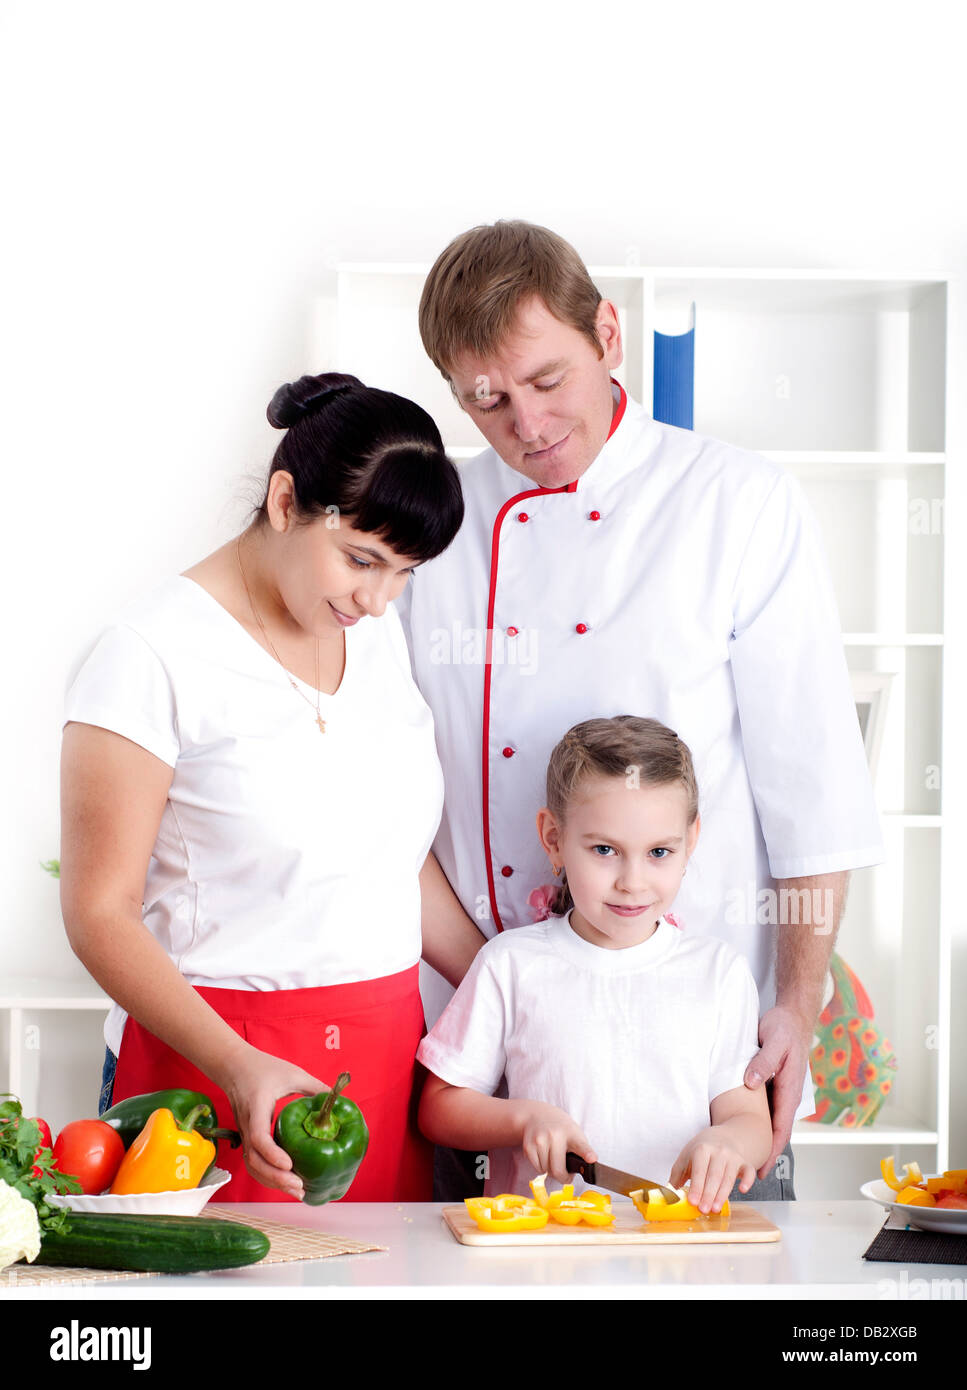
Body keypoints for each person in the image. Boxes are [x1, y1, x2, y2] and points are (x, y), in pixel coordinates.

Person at [400, 220, 884, 1198]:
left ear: (608, 334)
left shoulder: (735, 502)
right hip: (482, 1039)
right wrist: (504, 973)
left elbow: (813, 784)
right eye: (484, 399)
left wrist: (794, 1000)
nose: (525, 424)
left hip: (703, 1055)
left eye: (546, 381)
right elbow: (388, 795)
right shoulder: (432, 527)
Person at [59, 371, 487, 1202]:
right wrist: (240, 1066)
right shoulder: (149, 656)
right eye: (361, 560)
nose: (377, 597)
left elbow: (389, 855)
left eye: (403, 572)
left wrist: (516, 990)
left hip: (384, 1058)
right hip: (213, 1062)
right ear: (286, 502)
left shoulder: (369, 631)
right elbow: (96, 913)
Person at [417, 717, 773, 1213]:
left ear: (691, 841)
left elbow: (750, 1118)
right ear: (554, 838)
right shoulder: (510, 963)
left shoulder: (719, 973)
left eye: (659, 852)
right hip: (540, 1250)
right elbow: (438, 1108)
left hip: (675, 1249)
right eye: (604, 850)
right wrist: (523, 1120)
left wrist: (731, 1142)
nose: (632, 881)